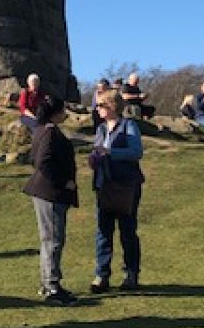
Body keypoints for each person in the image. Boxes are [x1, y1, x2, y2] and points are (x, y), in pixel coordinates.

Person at [22, 94, 79, 306]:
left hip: (44, 192)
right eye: (63, 110)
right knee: (54, 239)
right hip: (50, 194)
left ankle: (48, 282)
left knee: (49, 239)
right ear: (55, 113)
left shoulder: (40, 130)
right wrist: (64, 182)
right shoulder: (50, 133)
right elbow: (43, 162)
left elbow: (33, 159)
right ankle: (52, 286)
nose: (65, 114)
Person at [89, 91, 144, 293]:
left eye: (101, 105)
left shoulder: (129, 126)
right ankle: (101, 275)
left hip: (126, 186)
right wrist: (95, 158)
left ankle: (131, 274)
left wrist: (111, 152)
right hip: (105, 185)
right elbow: (98, 151)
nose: (97, 109)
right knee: (103, 232)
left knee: (127, 232)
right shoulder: (101, 129)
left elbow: (136, 151)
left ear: (112, 106)